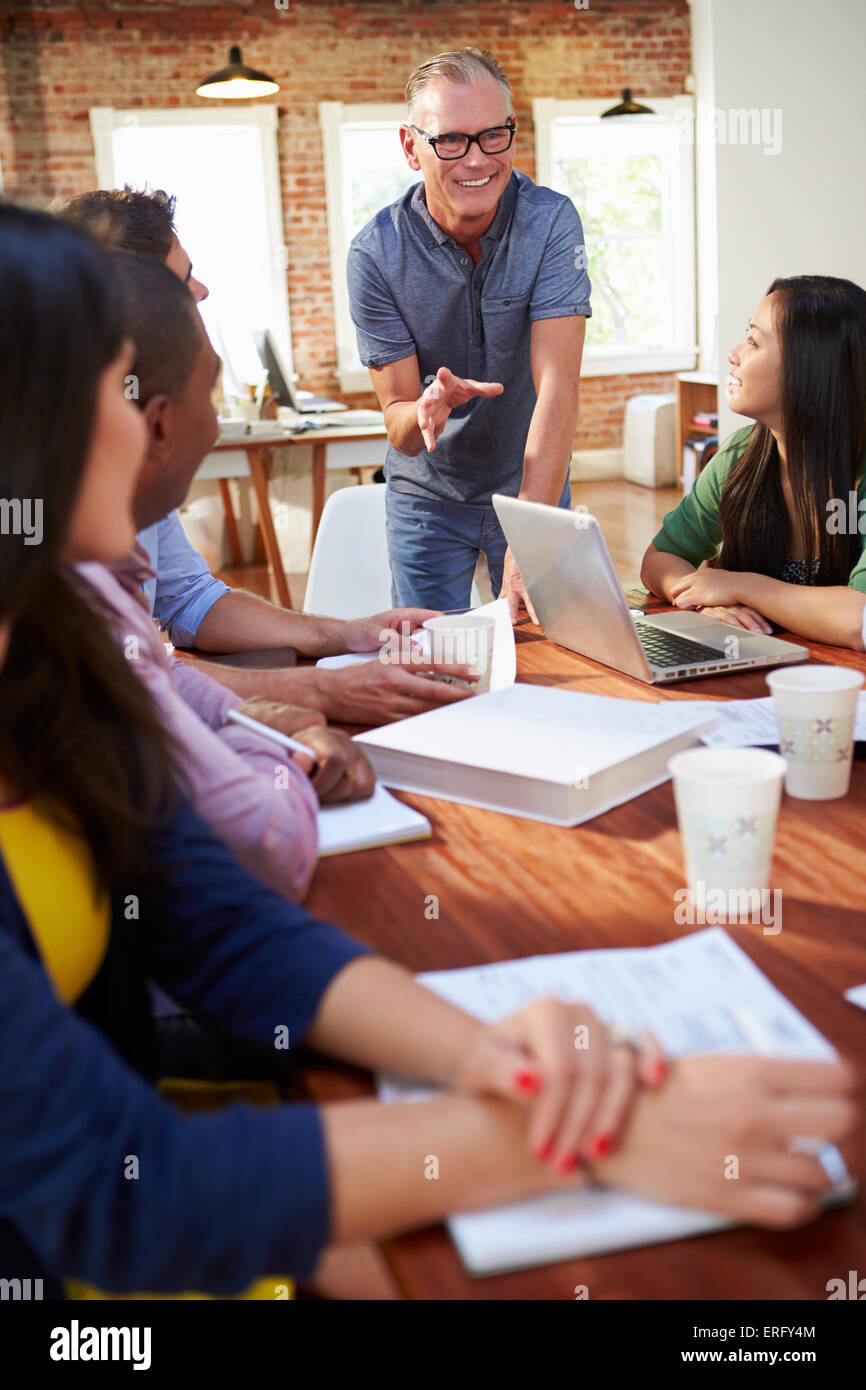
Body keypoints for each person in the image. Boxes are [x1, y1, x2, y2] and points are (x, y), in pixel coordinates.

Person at [1, 203, 855, 1300]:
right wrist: (590, 1132)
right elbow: (118, 1194)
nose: (163, 428)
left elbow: (210, 917)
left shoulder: (62, 655)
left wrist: (486, 1057)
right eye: (121, 390)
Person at [61, 185, 477, 724]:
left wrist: (342, 632)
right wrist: (320, 693)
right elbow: (111, 672)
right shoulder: (50, 469)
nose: (203, 290)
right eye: (184, 278)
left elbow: (187, 599)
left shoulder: (133, 438)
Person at [79, 249, 375, 906]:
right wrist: (281, 744)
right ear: (154, 421)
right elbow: (263, 839)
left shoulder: (95, 563)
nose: (217, 426)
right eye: (208, 395)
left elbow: (158, 663)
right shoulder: (70, 595)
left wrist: (267, 706)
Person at [347, 48, 591, 619]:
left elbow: (559, 387)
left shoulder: (551, 222)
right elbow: (399, 426)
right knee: (430, 666)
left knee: (555, 661)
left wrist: (533, 530)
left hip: (532, 486)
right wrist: (425, 410)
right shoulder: (376, 254)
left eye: (493, 136)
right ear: (411, 147)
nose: (476, 159)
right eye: (451, 140)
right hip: (428, 498)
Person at [641, 276, 866, 650]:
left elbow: (859, 620)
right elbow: (661, 558)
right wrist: (705, 603)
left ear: (811, 368)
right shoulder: (739, 458)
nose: (733, 355)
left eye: (753, 341)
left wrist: (738, 584)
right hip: (764, 672)